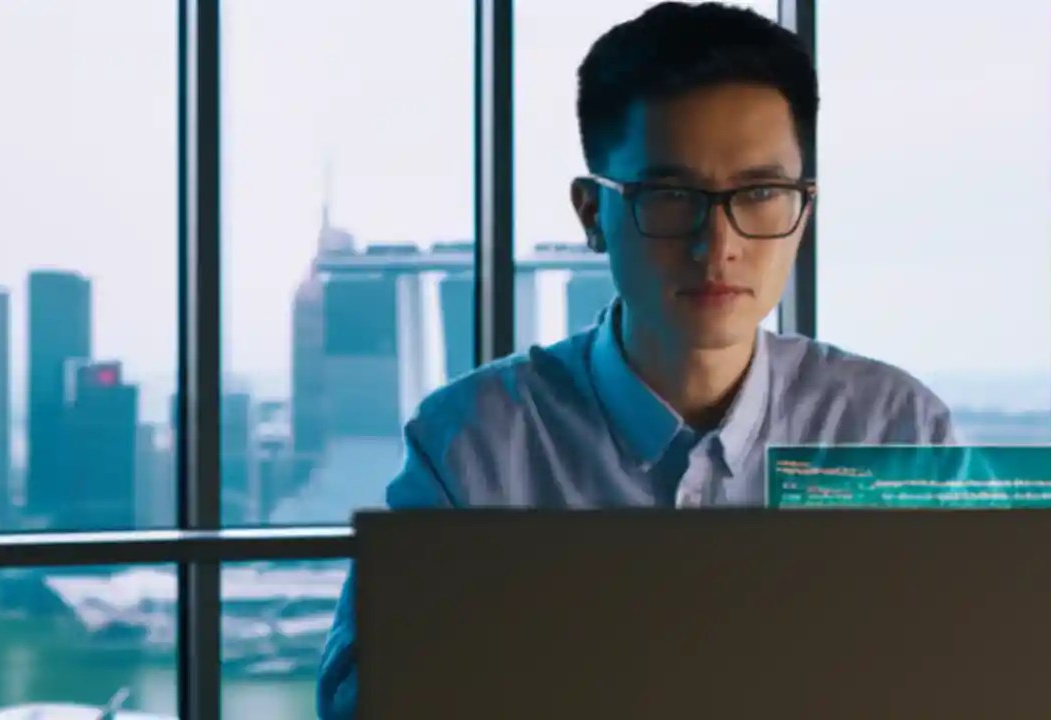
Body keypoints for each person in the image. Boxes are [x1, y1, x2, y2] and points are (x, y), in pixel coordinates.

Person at [316, 3, 957, 717]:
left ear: (803, 211)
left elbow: (983, 663)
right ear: (593, 214)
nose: (718, 246)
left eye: (762, 193)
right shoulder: (476, 440)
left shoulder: (892, 429)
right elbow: (359, 696)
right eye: (670, 196)